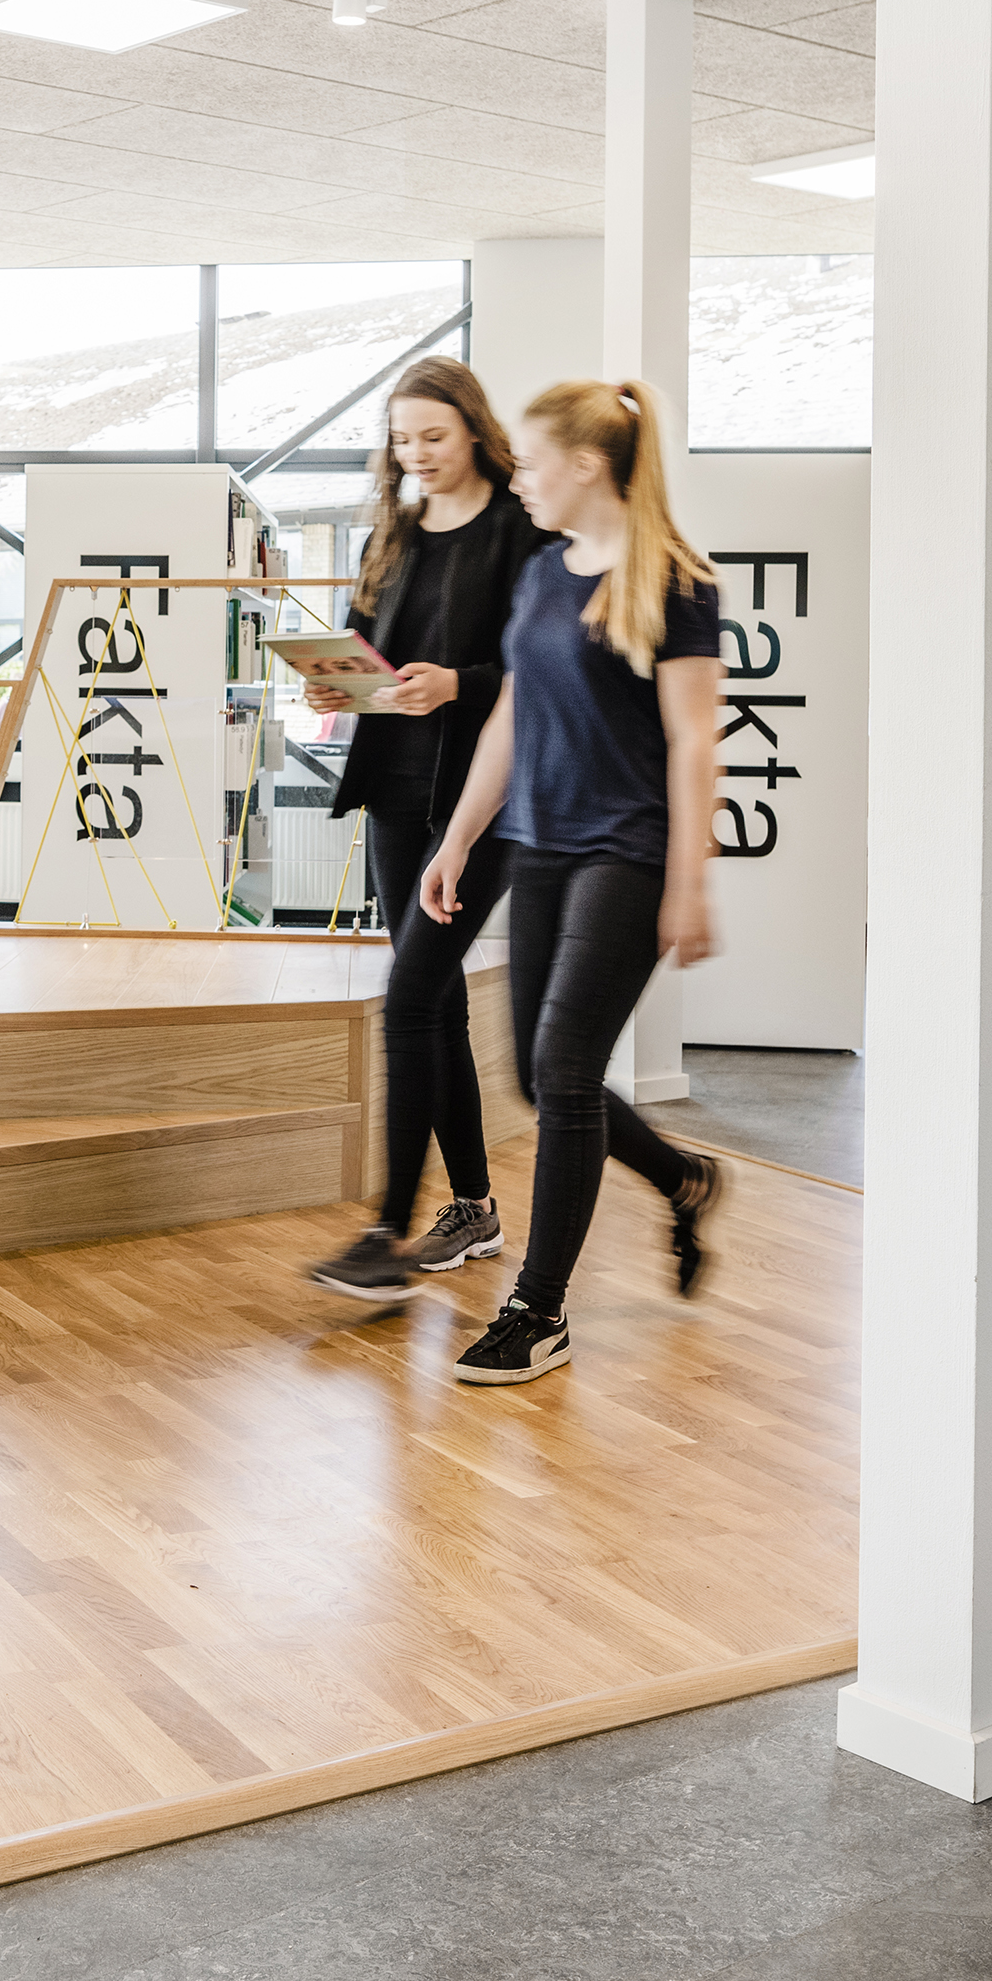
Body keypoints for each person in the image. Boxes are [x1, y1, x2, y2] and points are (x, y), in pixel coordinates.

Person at [414, 379, 732, 1389]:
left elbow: (693, 742)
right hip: (542, 844)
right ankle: (682, 1178)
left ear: (587, 465)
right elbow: (511, 715)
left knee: (560, 1063)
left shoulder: (675, 580)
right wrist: (460, 837)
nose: (522, 479)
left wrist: (691, 881)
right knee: (541, 1081)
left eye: (535, 462)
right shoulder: (546, 571)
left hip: (628, 851)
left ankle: (537, 1309)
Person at [297, 359, 545, 1306]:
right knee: (430, 1000)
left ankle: (386, 1230)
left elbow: (532, 670)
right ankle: (473, 1207)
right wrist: (336, 683)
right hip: (398, 790)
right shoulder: (393, 536)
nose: (416, 455)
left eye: (433, 437)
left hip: (486, 802)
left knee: (410, 997)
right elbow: (365, 649)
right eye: (402, 439)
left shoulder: (521, 533)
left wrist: (459, 684)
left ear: (475, 432)